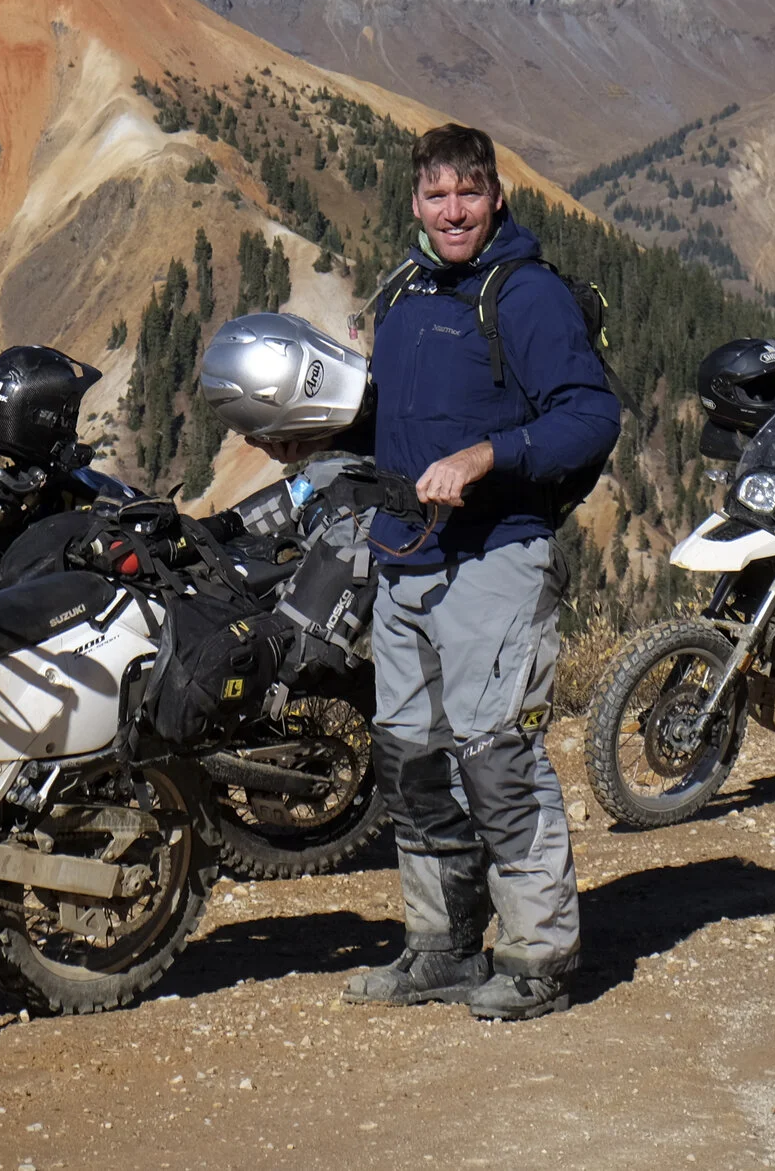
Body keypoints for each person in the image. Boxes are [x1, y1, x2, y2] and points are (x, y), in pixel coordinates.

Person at [257, 123, 619, 1020]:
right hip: (406, 559)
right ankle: (442, 946)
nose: (452, 211)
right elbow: (392, 422)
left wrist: (490, 454)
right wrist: (318, 437)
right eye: (436, 195)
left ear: (496, 196)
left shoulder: (526, 296)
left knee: (496, 759)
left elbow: (591, 415)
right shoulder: (409, 292)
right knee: (412, 760)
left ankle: (539, 955)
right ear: (415, 202)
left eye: (468, 193)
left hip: (494, 559)